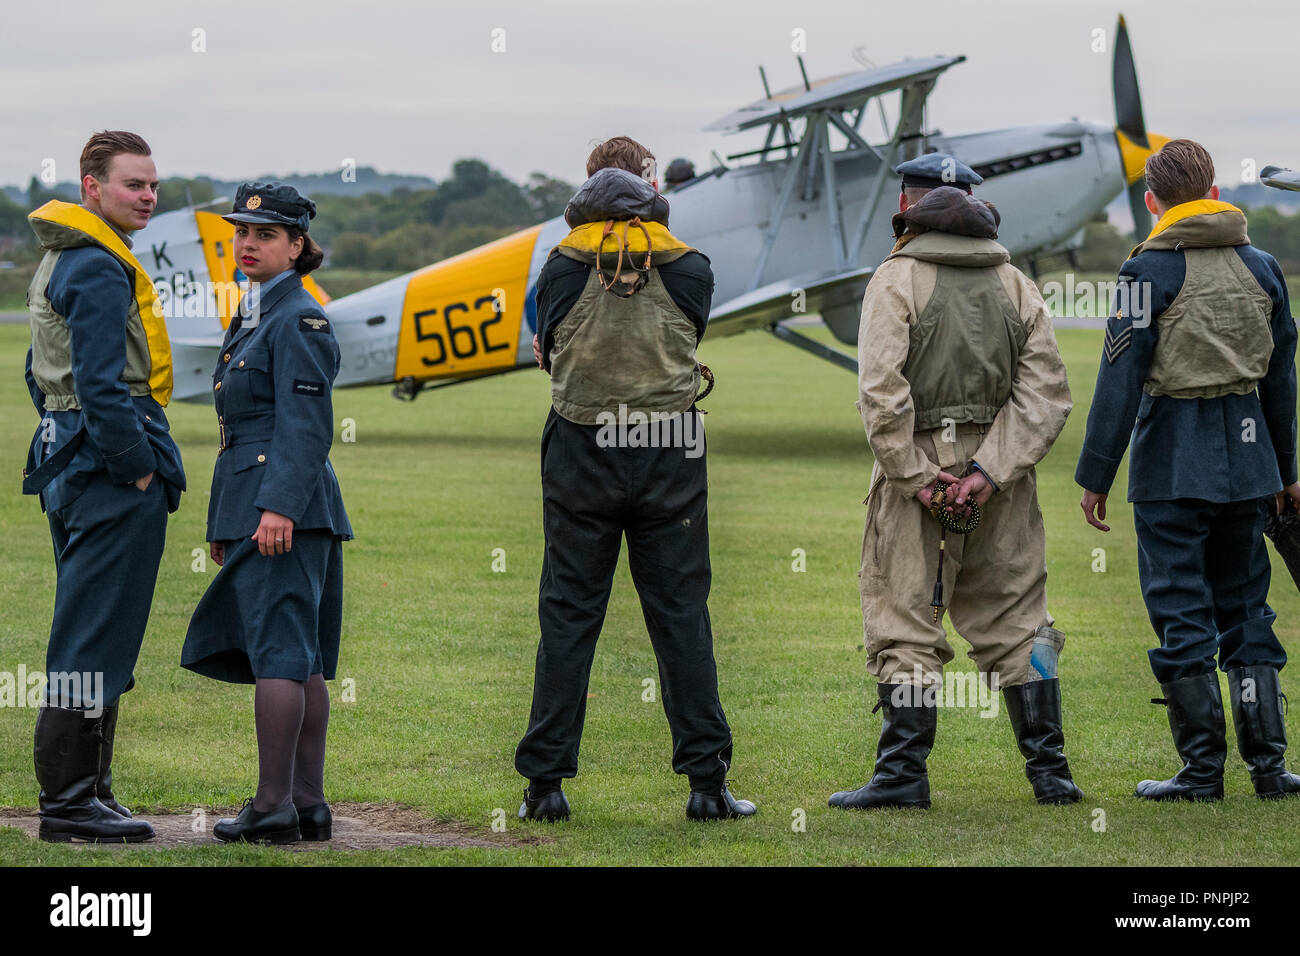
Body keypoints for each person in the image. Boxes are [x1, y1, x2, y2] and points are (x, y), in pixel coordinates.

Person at [830, 153, 1082, 811]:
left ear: (907, 207)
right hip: (1000, 477)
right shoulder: (1017, 283)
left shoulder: (895, 279)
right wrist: (990, 472)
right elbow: (1047, 394)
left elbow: (881, 392)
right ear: (976, 204)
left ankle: (902, 778)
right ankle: (1050, 774)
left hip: (918, 464)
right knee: (1020, 617)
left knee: (904, 615)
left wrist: (918, 478)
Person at [514, 136, 756, 822]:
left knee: (567, 616)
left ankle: (545, 786)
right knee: (681, 618)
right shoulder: (691, 266)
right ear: (650, 187)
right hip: (668, 446)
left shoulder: (559, 266)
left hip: (581, 446)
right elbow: (693, 335)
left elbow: (546, 346)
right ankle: (707, 786)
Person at [1077, 139, 1300, 801]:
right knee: (1248, 611)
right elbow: (1281, 381)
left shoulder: (1146, 272)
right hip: (1252, 462)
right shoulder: (1263, 267)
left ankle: (1202, 772)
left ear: (1153, 201)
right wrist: (1288, 472)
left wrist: (1096, 474)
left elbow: (1119, 380)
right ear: (1211, 189)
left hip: (1172, 463)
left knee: (1180, 611)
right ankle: (1269, 770)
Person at [23, 131, 186, 843]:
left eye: (152, 185)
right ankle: (67, 805)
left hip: (68, 459)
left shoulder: (61, 256)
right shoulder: (97, 266)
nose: (147, 197)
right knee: (92, 637)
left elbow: (39, 374)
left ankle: (92, 791)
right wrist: (136, 464)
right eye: (132, 185)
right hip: (106, 469)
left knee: (97, 630)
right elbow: (99, 381)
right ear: (92, 187)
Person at [181, 182, 352, 843]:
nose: (247, 244)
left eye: (266, 235)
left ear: (298, 246)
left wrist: (277, 508)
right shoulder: (259, 309)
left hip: (288, 508)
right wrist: (232, 520)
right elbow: (241, 430)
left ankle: (273, 807)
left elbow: (305, 426)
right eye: (242, 234)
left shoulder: (298, 317)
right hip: (262, 505)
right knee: (297, 656)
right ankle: (306, 804)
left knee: (281, 655)